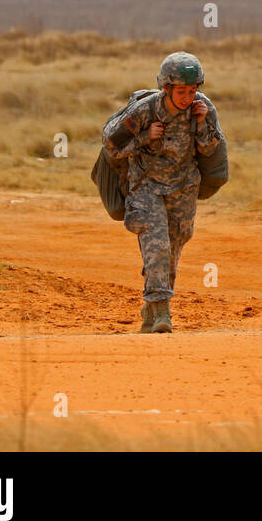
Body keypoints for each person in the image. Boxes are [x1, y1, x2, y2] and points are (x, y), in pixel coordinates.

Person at [102, 51, 223, 333]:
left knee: (173, 251)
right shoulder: (145, 111)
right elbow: (112, 144)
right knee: (158, 248)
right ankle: (162, 313)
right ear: (166, 88)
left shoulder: (202, 108)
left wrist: (203, 122)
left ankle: (152, 307)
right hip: (146, 186)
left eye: (192, 90)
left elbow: (209, 149)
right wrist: (144, 137)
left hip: (183, 188)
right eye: (181, 91)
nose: (187, 97)